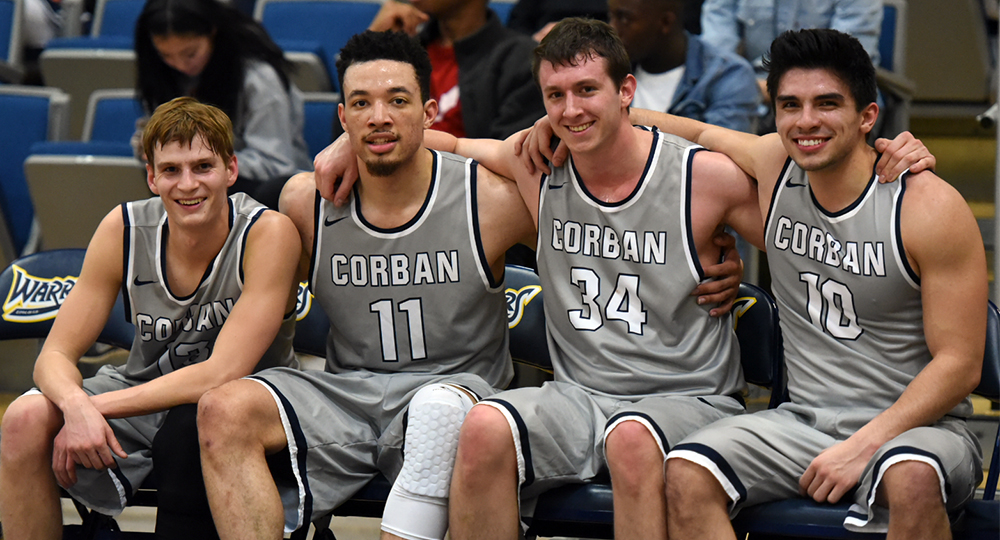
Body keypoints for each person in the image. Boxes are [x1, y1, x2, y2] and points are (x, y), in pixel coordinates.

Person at [618, 29, 983, 539]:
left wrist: (863, 446)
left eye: (827, 103)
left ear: (868, 116)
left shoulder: (928, 207)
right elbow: (689, 132)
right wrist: (559, 127)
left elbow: (960, 365)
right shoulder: (774, 164)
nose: (806, 121)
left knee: (911, 478)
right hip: (803, 424)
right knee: (688, 473)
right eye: (790, 104)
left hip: (922, 432)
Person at [195, 29, 539, 540]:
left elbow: (591, 238)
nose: (378, 116)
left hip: (456, 392)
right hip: (346, 396)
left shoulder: (489, 198)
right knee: (222, 410)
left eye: (397, 101)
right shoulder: (303, 202)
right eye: (361, 103)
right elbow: (266, 312)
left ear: (428, 112)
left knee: (435, 411)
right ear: (342, 118)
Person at [0, 96, 301, 540]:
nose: (188, 184)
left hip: (242, 400)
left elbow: (221, 372)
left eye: (203, 166)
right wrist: (73, 404)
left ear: (231, 170)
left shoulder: (268, 232)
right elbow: (56, 354)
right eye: (171, 170)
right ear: (151, 177)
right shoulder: (121, 227)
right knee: (23, 419)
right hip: (143, 390)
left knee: (194, 422)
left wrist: (88, 408)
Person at [133, 0, 312, 209]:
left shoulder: (258, 78)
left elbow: (277, 165)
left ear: (212, 33)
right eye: (166, 56)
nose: (180, 64)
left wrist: (205, 162)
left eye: (190, 54)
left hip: (263, 196)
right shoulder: (163, 76)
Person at [367, 0, 546, 141]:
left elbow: (510, 162)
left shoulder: (520, 60)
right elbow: (349, 135)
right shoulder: (402, 52)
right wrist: (372, 53)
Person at [608, 0, 759, 132]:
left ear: (665, 22)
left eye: (625, 19)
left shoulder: (728, 75)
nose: (613, 29)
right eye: (611, 16)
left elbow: (722, 158)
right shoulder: (609, 69)